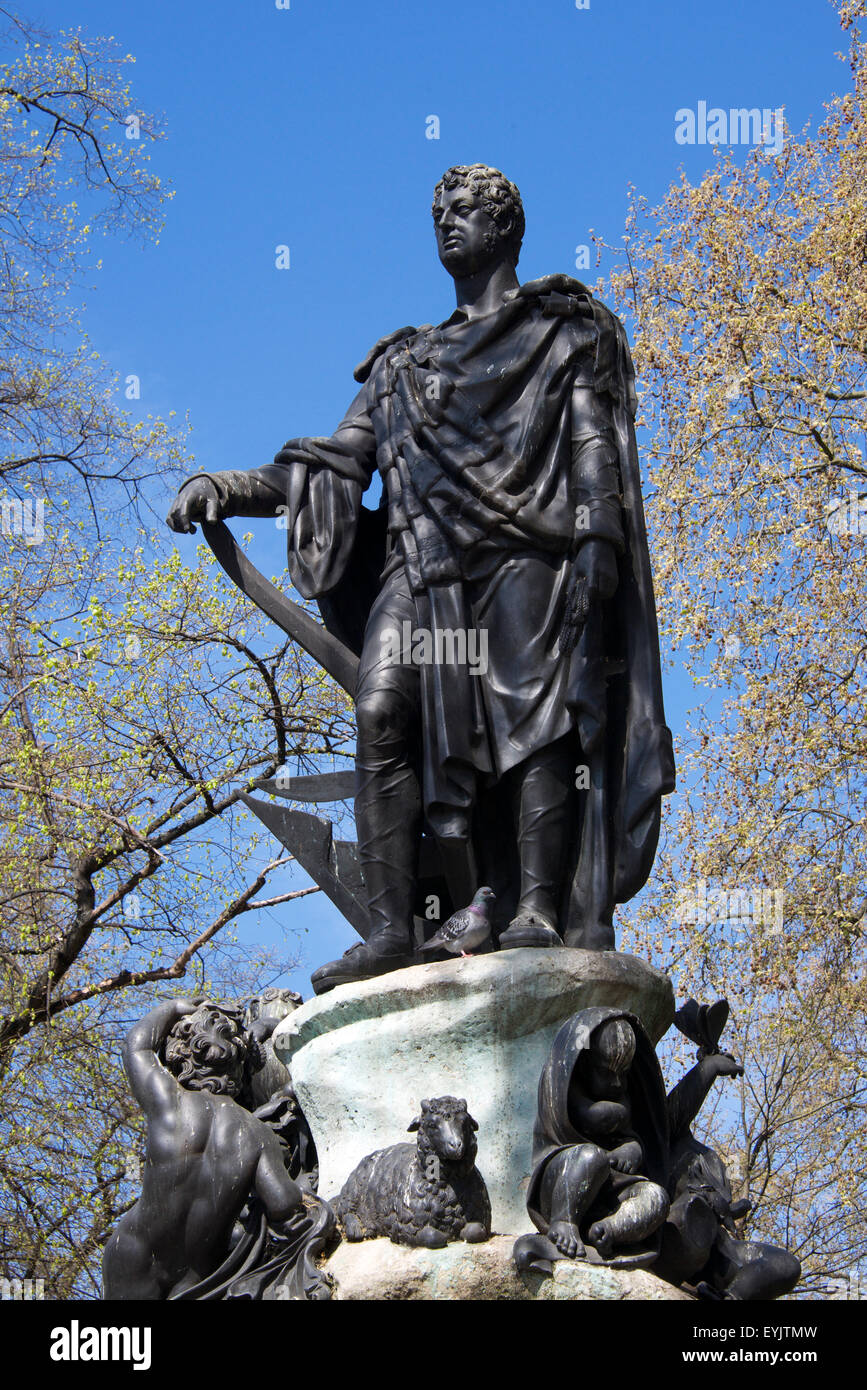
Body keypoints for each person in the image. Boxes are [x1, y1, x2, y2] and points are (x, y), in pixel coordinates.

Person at [167, 165, 675, 994]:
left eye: (466, 210)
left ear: (506, 227)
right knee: (379, 710)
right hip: (422, 561)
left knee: (533, 723)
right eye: (437, 210)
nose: (446, 222)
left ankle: (537, 909)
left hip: (527, 553)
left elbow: (591, 445)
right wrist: (227, 487)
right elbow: (334, 463)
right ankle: (388, 930)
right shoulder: (403, 362)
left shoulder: (561, 332)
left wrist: (598, 546)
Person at [102, 997, 332, 1300]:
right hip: (199, 1275)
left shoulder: (170, 1103)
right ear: (240, 1068)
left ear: (178, 1060)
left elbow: (136, 1045)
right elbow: (282, 1202)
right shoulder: (258, 1133)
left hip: (133, 1253)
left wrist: (173, 1008)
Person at [522, 1007, 670, 1265]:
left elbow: (629, 1136)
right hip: (564, 1181)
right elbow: (595, 1116)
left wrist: (632, 1148)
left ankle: (608, 1230)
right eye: (605, 1072)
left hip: (608, 1193)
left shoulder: (621, 1092)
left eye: (623, 1074)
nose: (616, 1084)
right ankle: (564, 1222)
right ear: (583, 1063)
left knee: (656, 1196)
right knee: (592, 1156)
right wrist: (620, 1113)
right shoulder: (564, 1082)